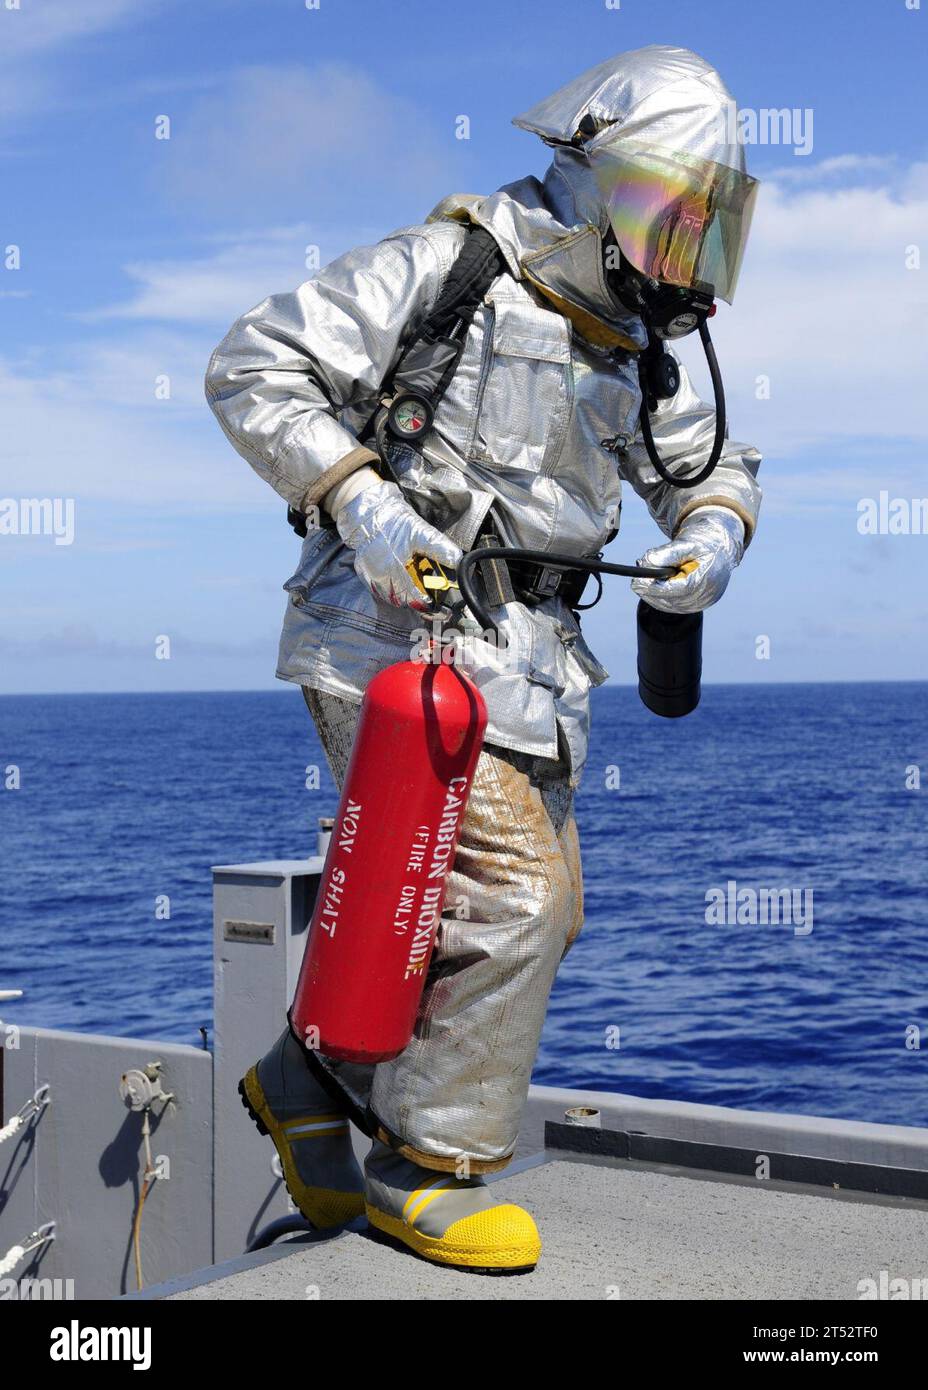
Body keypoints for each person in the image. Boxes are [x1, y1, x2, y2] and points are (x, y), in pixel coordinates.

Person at [205, 44, 762, 1274]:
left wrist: (711, 542)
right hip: (392, 639)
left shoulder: (638, 333)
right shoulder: (449, 265)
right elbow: (252, 363)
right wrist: (366, 504)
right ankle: (429, 1168)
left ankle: (306, 1077)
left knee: (536, 915)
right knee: (512, 899)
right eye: (672, 209)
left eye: (703, 218)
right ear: (592, 180)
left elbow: (709, 468)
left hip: (536, 665)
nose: (686, 245)